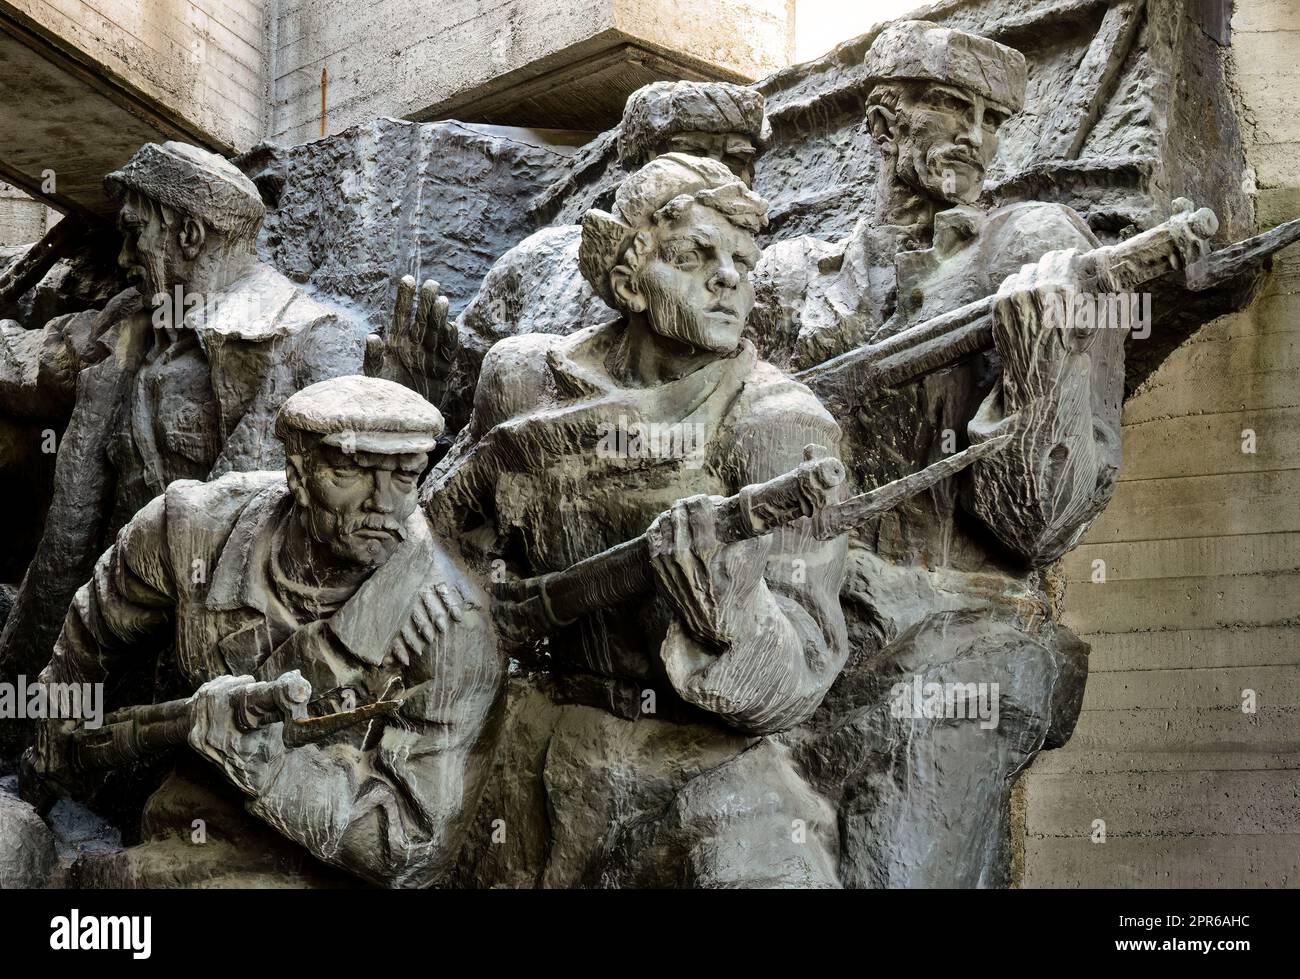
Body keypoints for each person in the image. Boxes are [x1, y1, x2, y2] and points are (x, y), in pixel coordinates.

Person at [428, 154, 848, 887]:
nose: (728, 279)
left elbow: (801, 676)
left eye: (743, 263)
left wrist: (734, 612)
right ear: (627, 280)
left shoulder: (780, 426)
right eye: (694, 256)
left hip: (704, 768)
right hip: (526, 740)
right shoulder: (522, 379)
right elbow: (445, 539)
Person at [26, 375, 503, 888]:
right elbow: (87, 641)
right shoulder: (194, 530)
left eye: (404, 477)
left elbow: (414, 846)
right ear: (298, 475)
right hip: (189, 811)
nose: (382, 503)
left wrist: (268, 765)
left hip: (324, 866)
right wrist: (50, 765)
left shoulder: (451, 629)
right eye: (350, 472)